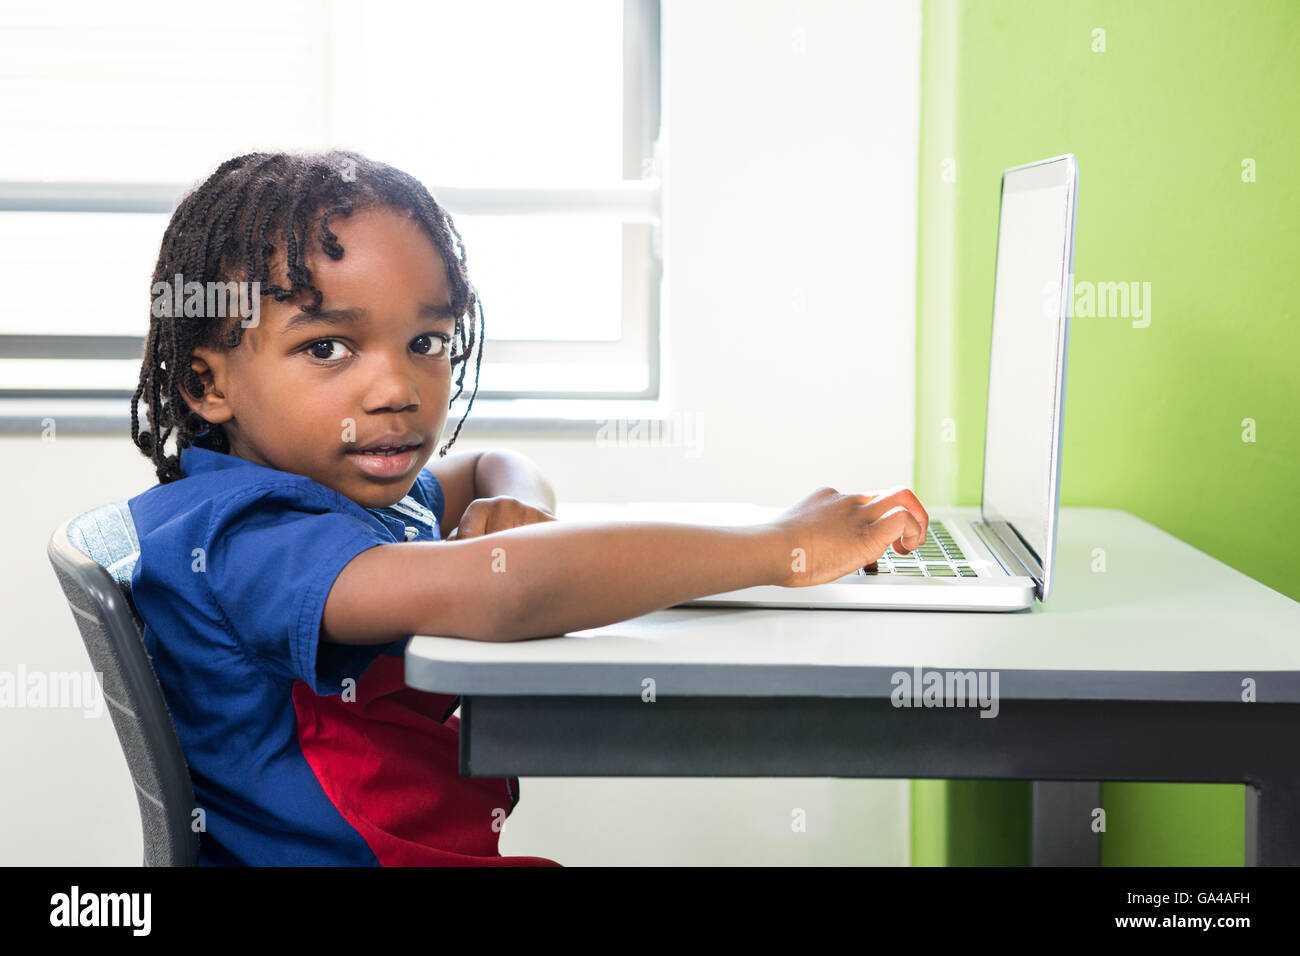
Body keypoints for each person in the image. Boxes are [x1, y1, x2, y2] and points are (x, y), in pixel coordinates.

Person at [126, 150, 928, 866]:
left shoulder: (339, 495)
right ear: (209, 383)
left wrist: (512, 505)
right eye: (327, 348)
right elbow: (509, 591)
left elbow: (487, 467)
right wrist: (778, 546)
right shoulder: (247, 538)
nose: (397, 389)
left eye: (428, 342)